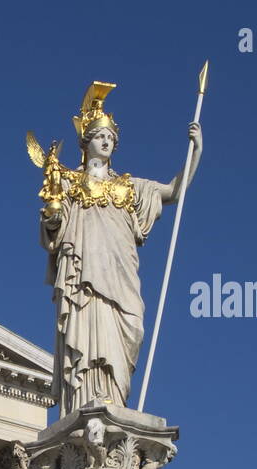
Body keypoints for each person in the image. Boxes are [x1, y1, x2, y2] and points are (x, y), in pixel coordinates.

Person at [40, 84, 202, 413]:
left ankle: (115, 399)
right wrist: (54, 213)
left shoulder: (129, 187)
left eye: (111, 138)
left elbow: (174, 191)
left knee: (132, 328)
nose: (107, 142)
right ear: (86, 142)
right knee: (85, 329)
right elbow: (53, 230)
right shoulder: (71, 184)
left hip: (121, 275)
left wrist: (196, 151)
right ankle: (86, 403)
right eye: (100, 136)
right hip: (84, 277)